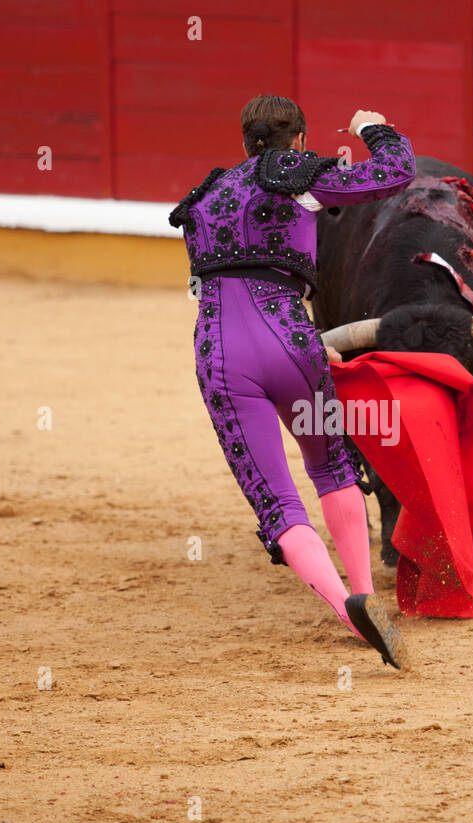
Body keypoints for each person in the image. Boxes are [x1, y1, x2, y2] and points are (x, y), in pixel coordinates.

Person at [168, 94, 416, 668]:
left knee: (277, 505)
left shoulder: (204, 197)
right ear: (298, 140)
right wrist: (375, 130)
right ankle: (366, 594)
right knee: (330, 467)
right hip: (291, 341)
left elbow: (198, 288)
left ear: (244, 141)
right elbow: (395, 172)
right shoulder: (297, 177)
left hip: (221, 354)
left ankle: (347, 610)